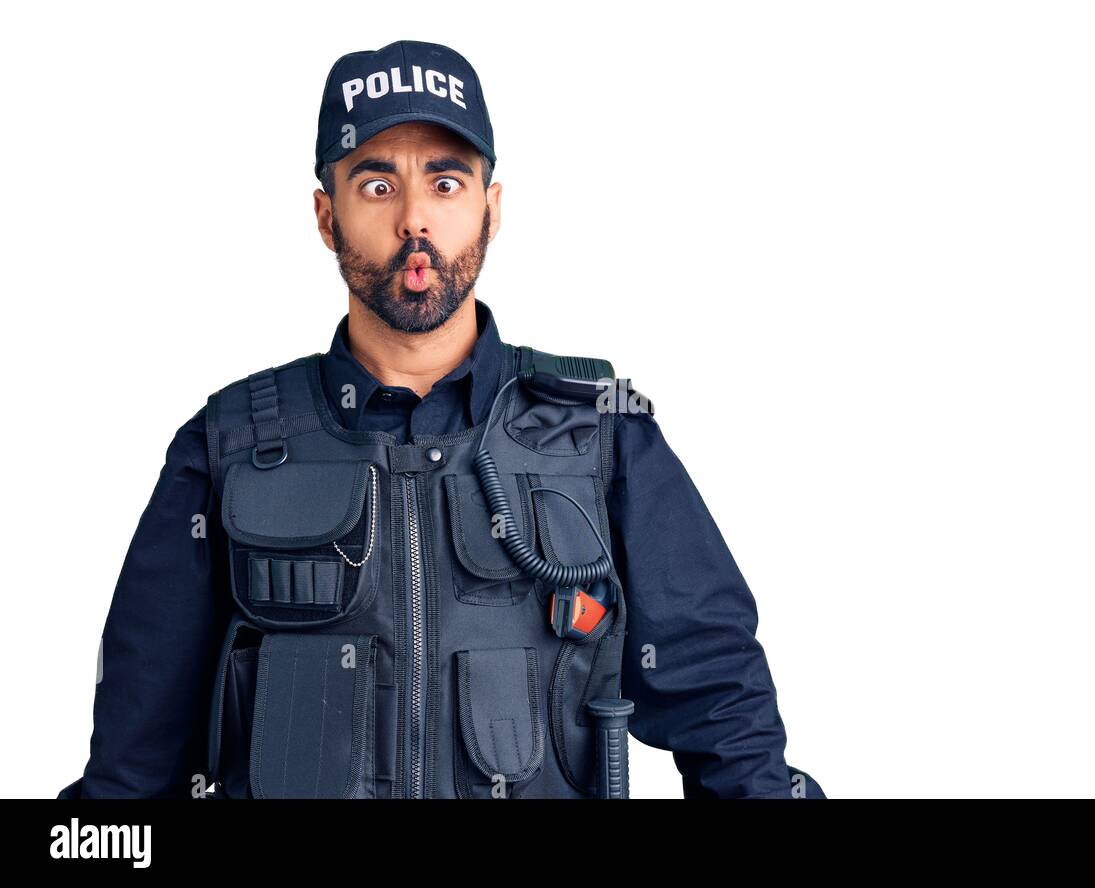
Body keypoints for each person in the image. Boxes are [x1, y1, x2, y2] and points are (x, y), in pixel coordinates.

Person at [58, 39, 825, 800]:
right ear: (327, 216)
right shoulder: (227, 442)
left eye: (447, 183)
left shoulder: (602, 432)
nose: (415, 220)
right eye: (378, 185)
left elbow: (721, 702)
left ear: (491, 209)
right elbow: (134, 761)